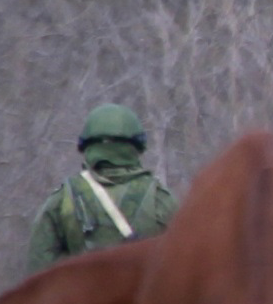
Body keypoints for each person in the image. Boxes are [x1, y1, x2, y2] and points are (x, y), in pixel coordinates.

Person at [25, 105, 179, 272]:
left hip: (81, 297)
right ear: (136, 146)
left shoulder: (61, 202)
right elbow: (187, 272)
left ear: (87, 147)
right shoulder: (162, 200)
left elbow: (38, 273)